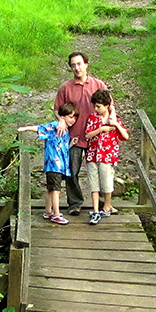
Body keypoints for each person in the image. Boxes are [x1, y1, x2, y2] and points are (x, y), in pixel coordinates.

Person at [54, 51, 109, 216]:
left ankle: (101, 205)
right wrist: (62, 120)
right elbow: (57, 109)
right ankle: (75, 203)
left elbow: (110, 104)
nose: (77, 68)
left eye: (79, 64)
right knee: (72, 171)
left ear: (86, 64)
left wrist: (111, 118)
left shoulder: (98, 85)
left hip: (96, 137)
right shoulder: (66, 87)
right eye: (73, 65)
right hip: (74, 137)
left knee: (99, 171)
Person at [17, 103, 78, 224]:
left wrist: (71, 144)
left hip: (61, 165)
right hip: (54, 164)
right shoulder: (55, 125)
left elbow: (62, 147)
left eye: (75, 117)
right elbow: (41, 128)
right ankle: (56, 213)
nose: (73, 120)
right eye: (70, 117)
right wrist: (26, 128)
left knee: (51, 189)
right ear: (63, 116)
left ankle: (48, 210)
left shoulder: (66, 131)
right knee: (56, 190)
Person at [84, 89, 129, 225]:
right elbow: (87, 135)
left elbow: (125, 136)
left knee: (107, 183)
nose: (96, 109)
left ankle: (107, 207)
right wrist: (100, 130)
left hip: (107, 156)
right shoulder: (92, 118)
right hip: (92, 155)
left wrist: (115, 124)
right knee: (94, 184)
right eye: (95, 106)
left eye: (99, 106)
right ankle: (96, 210)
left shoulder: (114, 121)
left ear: (107, 106)